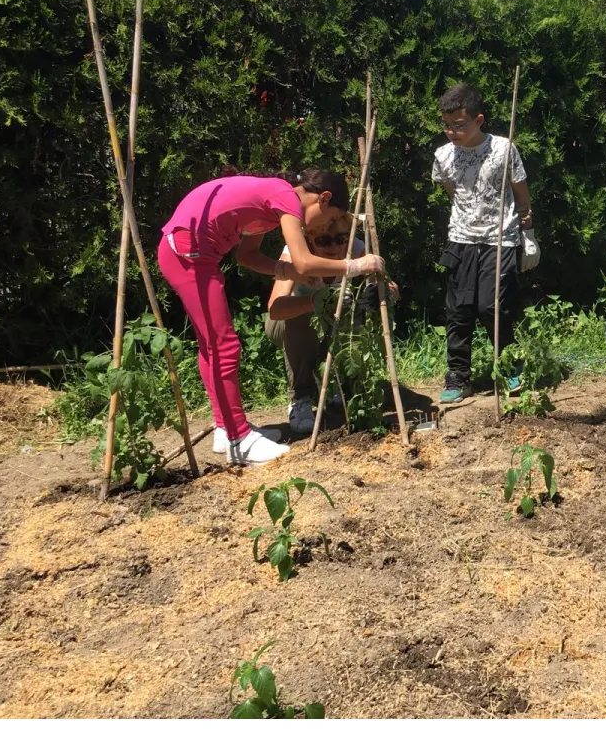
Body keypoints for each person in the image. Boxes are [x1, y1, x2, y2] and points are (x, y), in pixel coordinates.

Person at [157, 168, 385, 465]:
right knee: (224, 346)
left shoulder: (271, 202)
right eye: (329, 219)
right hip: (189, 255)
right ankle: (239, 439)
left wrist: (286, 271)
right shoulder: (285, 198)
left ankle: (226, 429)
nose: (324, 228)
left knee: (211, 347)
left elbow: (246, 257)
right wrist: (356, 265)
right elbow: (304, 262)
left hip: (187, 252)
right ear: (323, 198)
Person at [431, 83, 533, 405]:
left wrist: (528, 233)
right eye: (446, 125)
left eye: (458, 125)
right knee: (458, 310)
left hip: (499, 239)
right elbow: (453, 192)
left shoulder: (504, 150)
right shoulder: (443, 156)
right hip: (461, 239)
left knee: (492, 306)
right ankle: (459, 376)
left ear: (479, 119)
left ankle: (509, 367)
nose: (451, 132)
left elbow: (520, 193)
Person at [264, 211, 399, 436]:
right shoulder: (295, 253)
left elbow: (393, 288)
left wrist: (381, 293)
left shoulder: (356, 249)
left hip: (331, 324)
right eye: (324, 240)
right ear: (309, 240)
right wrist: (314, 301)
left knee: (355, 309)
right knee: (300, 316)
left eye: (341, 238)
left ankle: (343, 384)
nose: (334, 246)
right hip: (288, 326)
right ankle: (301, 399)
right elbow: (275, 308)